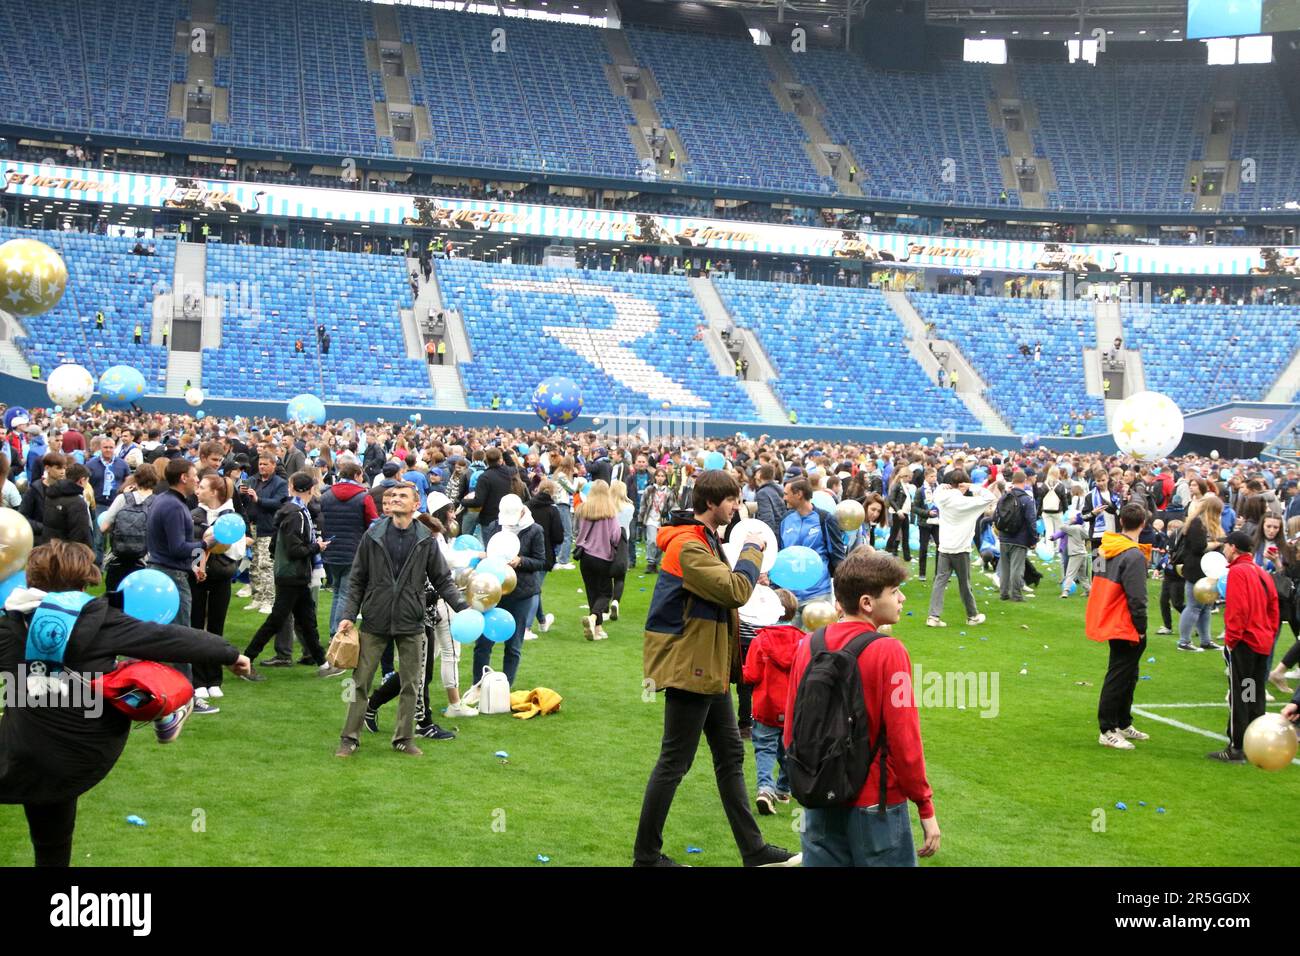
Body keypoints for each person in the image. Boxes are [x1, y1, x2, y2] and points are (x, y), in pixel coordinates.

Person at [0, 540, 250, 866]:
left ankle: (163, 703)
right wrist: (231, 654)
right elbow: (167, 638)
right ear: (82, 579)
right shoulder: (100, 620)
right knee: (52, 839)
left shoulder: (11, 624)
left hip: (23, 751)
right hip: (79, 750)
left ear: (31, 579)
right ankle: (165, 705)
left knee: (50, 826)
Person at [633, 469, 797, 868]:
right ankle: (646, 857)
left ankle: (754, 851)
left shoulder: (703, 539)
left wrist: (744, 566)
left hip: (710, 665)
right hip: (693, 666)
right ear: (711, 503)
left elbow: (730, 588)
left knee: (729, 757)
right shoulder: (688, 545)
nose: (737, 508)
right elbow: (736, 591)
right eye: (732, 501)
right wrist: (752, 551)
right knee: (675, 761)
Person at [784, 549, 939, 866]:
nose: (902, 599)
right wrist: (924, 805)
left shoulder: (808, 644)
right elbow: (904, 737)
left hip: (819, 795)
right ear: (867, 603)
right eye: (894, 592)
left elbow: (792, 729)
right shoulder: (889, 651)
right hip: (875, 802)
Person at [336, 482, 468, 757]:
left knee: (412, 684)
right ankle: (349, 738)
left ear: (414, 504)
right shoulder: (373, 535)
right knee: (360, 682)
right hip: (375, 618)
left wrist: (461, 607)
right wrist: (348, 615)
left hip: (411, 620)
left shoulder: (425, 539)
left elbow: (442, 579)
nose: (395, 499)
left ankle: (404, 739)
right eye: (393, 496)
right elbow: (357, 579)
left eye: (402, 496)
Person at [240, 471, 338, 681]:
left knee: (307, 619)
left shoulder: (289, 510)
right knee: (277, 620)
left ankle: (323, 663)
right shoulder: (298, 514)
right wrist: (316, 547)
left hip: (292, 574)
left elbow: (277, 545)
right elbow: (295, 550)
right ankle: (245, 659)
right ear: (311, 489)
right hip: (293, 575)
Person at [1209, 530, 1280, 762]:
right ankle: (1254, 741)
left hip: (1244, 643)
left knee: (1240, 693)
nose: (1223, 550)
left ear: (1233, 547)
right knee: (1252, 691)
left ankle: (1237, 745)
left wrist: (1231, 640)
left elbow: (1238, 610)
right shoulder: (1261, 572)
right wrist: (1268, 634)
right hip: (1261, 642)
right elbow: (1273, 607)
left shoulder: (1238, 572)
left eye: (1226, 546)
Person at [1088, 503, 1152, 751]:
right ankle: (1107, 728)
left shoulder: (1105, 548)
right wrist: (1141, 625)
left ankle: (1122, 722)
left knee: (1128, 673)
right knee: (1119, 674)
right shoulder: (1133, 554)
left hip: (1111, 615)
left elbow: (1096, 575)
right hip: (1124, 622)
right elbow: (1137, 596)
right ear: (1143, 524)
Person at [472, 494, 545, 686]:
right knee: (483, 643)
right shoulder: (494, 526)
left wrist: (521, 561)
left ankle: (506, 686)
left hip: (522, 592)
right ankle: (478, 684)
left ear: (522, 511)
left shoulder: (535, 530)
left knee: (513, 645)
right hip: (494, 589)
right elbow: (490, 552)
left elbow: (541, 561)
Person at [741, 588, 801, 816]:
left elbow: (751, 676)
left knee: (765, 749)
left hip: (766, 706)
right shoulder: (804, 641)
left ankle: (766, 789)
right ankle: (784, 789)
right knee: (789, 747)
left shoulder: (760, 640)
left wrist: (741, 670)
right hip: (792, 707)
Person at [190, 473, 247, 702]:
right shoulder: (194, 515)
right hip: (197, 578)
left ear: (214, 492)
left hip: (221, 576)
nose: (198, 490)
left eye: (202, 487)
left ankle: (214, 678)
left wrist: (218, 544)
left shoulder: (231, 517)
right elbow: (191, 546)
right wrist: (197, 565)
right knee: (195, 627)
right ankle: (197, 679)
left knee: (216, 627)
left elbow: (238, 551)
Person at [926, 469, 994, 628]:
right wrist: (972, 486)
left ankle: (933, 616)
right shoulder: (967, 502)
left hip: (944, 547)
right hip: (961, 549)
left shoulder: (942, 497)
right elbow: (990, 497)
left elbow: (937, 492)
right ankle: (972, 615)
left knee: (940, 581)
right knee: (964, 583)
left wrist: (944, 486)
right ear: (963, 485)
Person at [319, 460, 379, 637]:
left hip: (331, 548)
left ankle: (334, 631)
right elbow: (374, 524)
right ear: (356, 475)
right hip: (354, 549)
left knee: (338, 592)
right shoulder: (364, 496)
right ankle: (337, 634)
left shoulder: (326, 495)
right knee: (345, 593)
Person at [779, 479, 846, 622]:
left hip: (818, 594)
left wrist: (841, 597)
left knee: (818, 643)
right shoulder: (786, 519)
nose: (784, 498)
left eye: (786, 494)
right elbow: (780, 555)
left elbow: (839, 558)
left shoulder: (825, 519)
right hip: (790, 597)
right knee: (792, 643)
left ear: (799, 494)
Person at [573, 479, 622, 641]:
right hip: (603, 556)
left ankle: (597, 628)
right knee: (606, 593)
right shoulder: (610, 511)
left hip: (586, 556)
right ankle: (594, 618)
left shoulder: (584, 509)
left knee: (592, 592)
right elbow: (615, 536)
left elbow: (577, 531)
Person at [1177, 495, 1225, 652]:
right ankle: (1184, 641)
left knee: (1205, 607)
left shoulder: (1203, 524)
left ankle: (1206, 640)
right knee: (1193, 606)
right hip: (1196, 570)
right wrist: (1217, 543)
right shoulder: (1197, 523)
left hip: (1207, 570)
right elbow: (1199, 546)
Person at [98, 466, 157, 592]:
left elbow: (103, 527)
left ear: (136, 479)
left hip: (118, 558)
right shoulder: (158, 502)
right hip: (145, 560)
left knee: (114, 600)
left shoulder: (123, 499)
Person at [241, 455, 288, 614]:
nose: (261, 466)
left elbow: (278, 503)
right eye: (260, 464)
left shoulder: (280, 483)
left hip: (267, 528)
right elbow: (243, 503)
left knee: (265, 564)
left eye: (265, 464)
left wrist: (258, 499)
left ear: (273, 465)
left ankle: (269, 600)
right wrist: (241, 493)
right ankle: (257, 597)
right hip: (251, 527)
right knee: (253, 563)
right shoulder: (253, 480)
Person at [525, 481, 561, 638]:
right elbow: (558, 535)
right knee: (534, 590)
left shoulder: (527, 507)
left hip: (525, 553)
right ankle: (526, 627)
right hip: (543, 554)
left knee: (535, 588)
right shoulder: (553, 510)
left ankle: (541, 621)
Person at [996, 471, 1038, 602]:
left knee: (1004, 567)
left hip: (1004, 537)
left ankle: (1004, 594)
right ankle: (1016, 595)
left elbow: (996, 516)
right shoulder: (1027, 499)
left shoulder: (1004, 497)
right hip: (1020, 538)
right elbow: (1031, 522)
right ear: (1024, 481)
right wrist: (1034, 540)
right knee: (1017, 568)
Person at [42, 462, 93, 548]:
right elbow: (80, 534)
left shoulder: (51, 495)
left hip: (50, 548)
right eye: (86, 482)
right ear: (82, 480)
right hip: (69, 554)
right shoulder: (77, 502)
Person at [639, 468, 676, 573]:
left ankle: (655, 562)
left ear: (665, 478)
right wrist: (640, 518)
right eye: (658, 475)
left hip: (662, 520)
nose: (660, 478)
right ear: (655, 477)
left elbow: (673, 507)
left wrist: (674, 519)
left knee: (660, 543)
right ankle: (650, 562)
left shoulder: (669, 492)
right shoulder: (649, 490)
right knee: (651, 541)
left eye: (662, 476)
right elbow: (643, 504)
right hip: (650, 518)